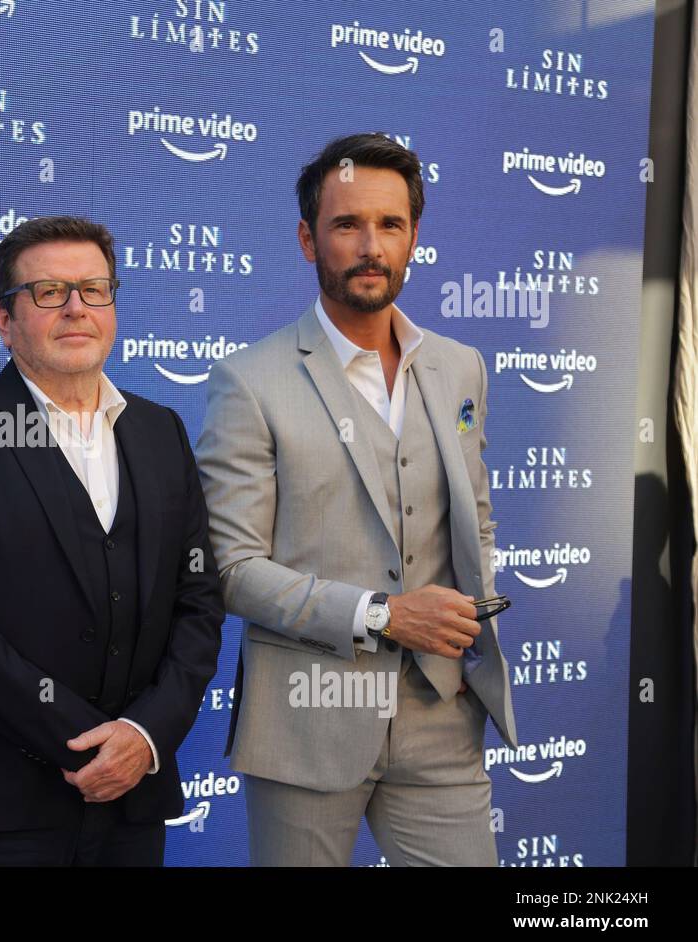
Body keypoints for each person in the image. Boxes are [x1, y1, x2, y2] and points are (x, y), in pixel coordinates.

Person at [196, 133, 519, 866]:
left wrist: (472, 604)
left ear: (413, 239)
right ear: (309, 240)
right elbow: (232, 568)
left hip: (442, 711)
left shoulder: (459, 366)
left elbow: (476, 513)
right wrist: (383, 615)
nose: (370, 245)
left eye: (390, 224)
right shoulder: (250, 380)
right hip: (307, 720)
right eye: (347, 225)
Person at [0, 215, 224, 866]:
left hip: (135, 801)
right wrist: (85, 740)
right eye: (48, 292)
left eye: (94, 290)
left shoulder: (161, 431)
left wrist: (142, 736)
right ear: (4, 319)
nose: (76, 308)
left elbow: (200, 603)